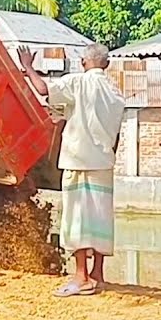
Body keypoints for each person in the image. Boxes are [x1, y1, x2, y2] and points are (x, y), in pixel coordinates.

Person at [17, 43, 126, 297]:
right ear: (106, 65)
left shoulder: (77, 83)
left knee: (78, 218)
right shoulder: (115, 92)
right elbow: (117, 134)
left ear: (83, 62)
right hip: (103, 163)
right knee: (100, 217)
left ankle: (81, 277)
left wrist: (28, 67)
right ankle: (98, 274)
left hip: (78, 160)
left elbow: (44, 90)